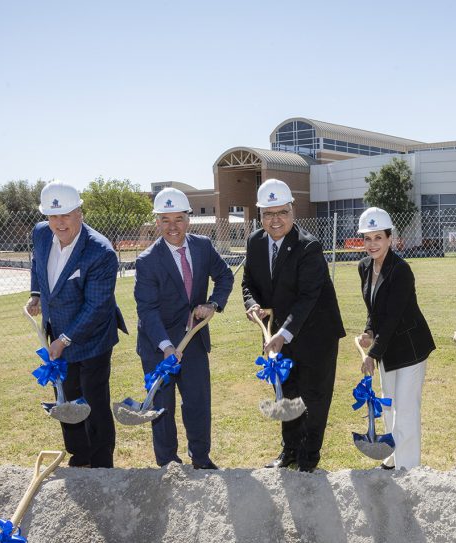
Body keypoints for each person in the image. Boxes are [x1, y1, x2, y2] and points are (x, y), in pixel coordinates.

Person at [242, 179, 345, 473]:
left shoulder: (308, 246)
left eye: (282, 212)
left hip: (315, 334)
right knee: (286, 394)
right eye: (268, 214)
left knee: (314, 398)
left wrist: (282, 334)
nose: (275, 220)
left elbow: (307, 297)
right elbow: (248, 283)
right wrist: (252, 304)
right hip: (280, 334)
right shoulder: (255, 242)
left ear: (293, 211)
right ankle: (289, 451)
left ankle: (308, 458)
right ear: (260, 215)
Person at [26, 181, 127, 468]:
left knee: (92, 400)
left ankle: (101, 463)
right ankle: (79, 457)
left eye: (66, 215)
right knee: (66, 396)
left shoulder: (100, 251)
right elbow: (37, 263)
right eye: (53, 216)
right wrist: (37, 294)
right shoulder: (41, 233)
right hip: (57, 331)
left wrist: (64, 340)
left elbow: (96, 306)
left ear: (80, 213)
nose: (59, 223)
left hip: (93, 337)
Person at [133, 188, 234, 469]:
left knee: (197, 403)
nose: (173, 226)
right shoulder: (147, 261)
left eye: (178, 218)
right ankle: (169, 464)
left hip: (193, 342)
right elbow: (147, 310)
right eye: (165, 220)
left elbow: (225, 276)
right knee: (162, 407)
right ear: (157, 222)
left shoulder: (203, 247)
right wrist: (166, 347)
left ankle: (200, 459)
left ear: (189, 219)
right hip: (158, 346)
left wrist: (212, 304)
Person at [356, 207, 435, 470]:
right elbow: (374, 309)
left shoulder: (401, 270)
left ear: (390, 239)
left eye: (378, 237)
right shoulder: (364, 266)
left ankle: (408, 468)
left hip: (410, 348)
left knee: (406, 409)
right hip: (386, 348)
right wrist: (369, 331)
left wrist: (372, 354)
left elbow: (392, 317)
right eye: (367, 238)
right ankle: (391, 457)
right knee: (387, 404)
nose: (372, 244)